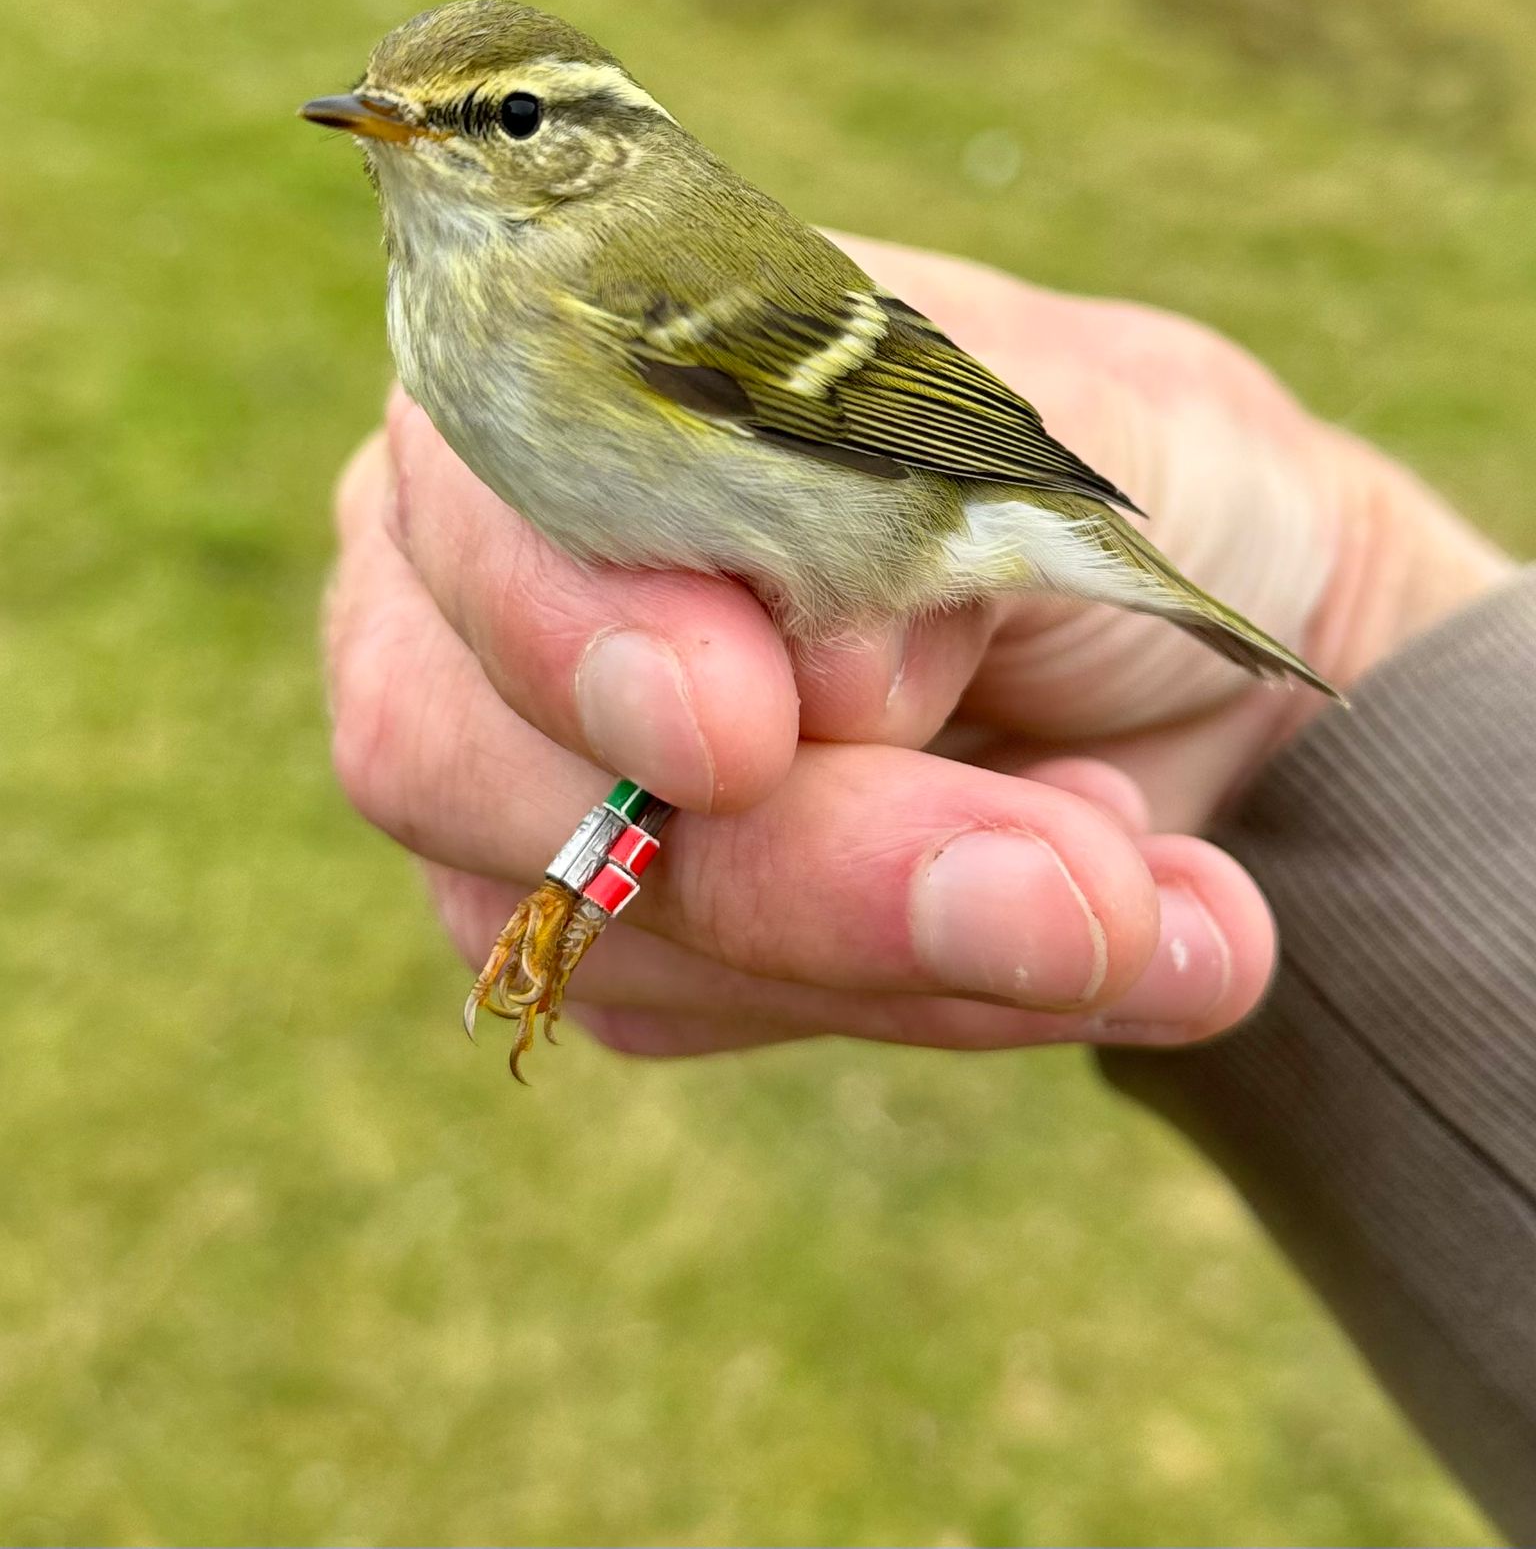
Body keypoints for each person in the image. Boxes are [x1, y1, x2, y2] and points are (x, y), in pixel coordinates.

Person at [324, 235, 1533, 1537]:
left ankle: (587, 871)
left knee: (727, 703)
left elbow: (873, 391)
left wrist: (1355, 611)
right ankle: (589, 870)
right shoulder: (490, 310)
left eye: (506, 130)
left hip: (912, 491)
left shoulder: (612, 282)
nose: (404, 142)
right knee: (703, 707)